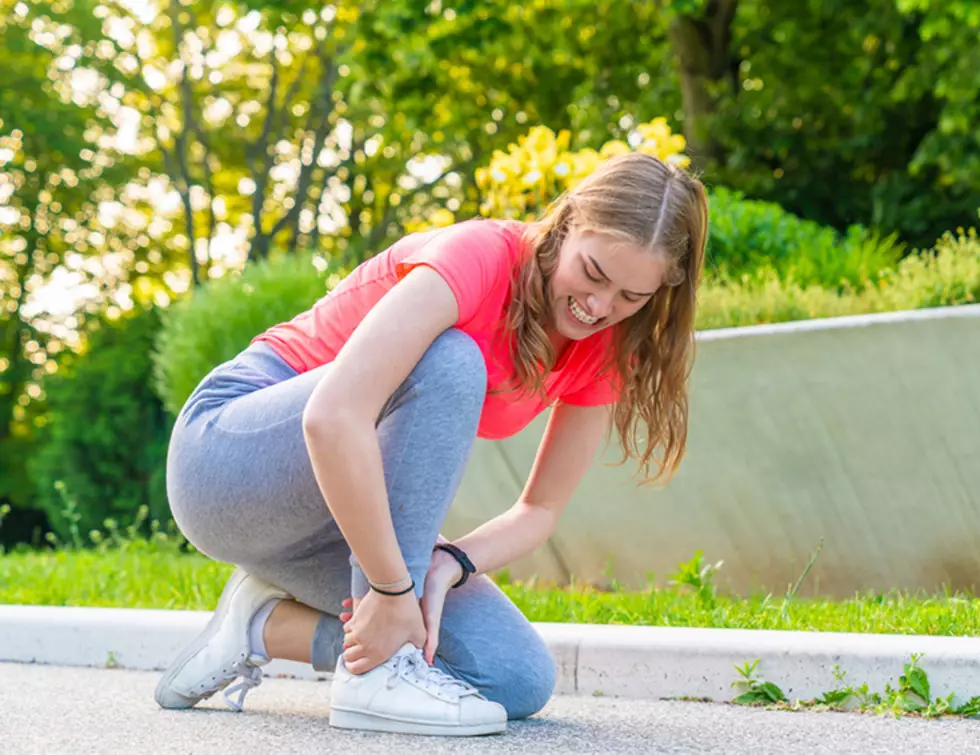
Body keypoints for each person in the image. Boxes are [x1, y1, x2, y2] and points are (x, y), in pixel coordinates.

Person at [154, 151, 709, 737]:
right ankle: (374, 680)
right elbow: (333, 417)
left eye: (632, 297)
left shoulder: (606, 346)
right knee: (450, 358)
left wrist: (448, 565)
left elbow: (539, 509)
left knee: (513, 677)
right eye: (593, 273)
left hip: (337, 509)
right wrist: (394, 590)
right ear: (567, 223)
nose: (600, 307)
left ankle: (257, 625)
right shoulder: (477, 258)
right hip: (225, 462)